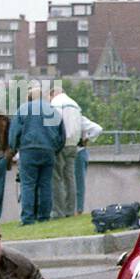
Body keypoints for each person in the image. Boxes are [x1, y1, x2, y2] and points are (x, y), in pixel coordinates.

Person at [8, 84, 65, 225]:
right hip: (48, 151)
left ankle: (28, 218)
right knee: (45, 184)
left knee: (27, 184)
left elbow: (14, 132)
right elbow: (62, 135)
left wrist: (15, 148)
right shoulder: (53, 111)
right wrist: (54, 150)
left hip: (28, 150)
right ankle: (44, 216)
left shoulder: (23, 109)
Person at [50, 85, 89, 219]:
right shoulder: (75, 105)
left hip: (60, 145)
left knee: (57, 178)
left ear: (53, 94)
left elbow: (52, 126)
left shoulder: (55, 104)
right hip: (73, 145)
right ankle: (70, 210)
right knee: (70, 178)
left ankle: (58, 211)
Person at [75, 117, 104, 215]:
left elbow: (97, 129)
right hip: (78, 152)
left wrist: (86, 139)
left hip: (78, 151)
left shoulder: (79, 119)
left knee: (79, 183)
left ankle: (78, 209)